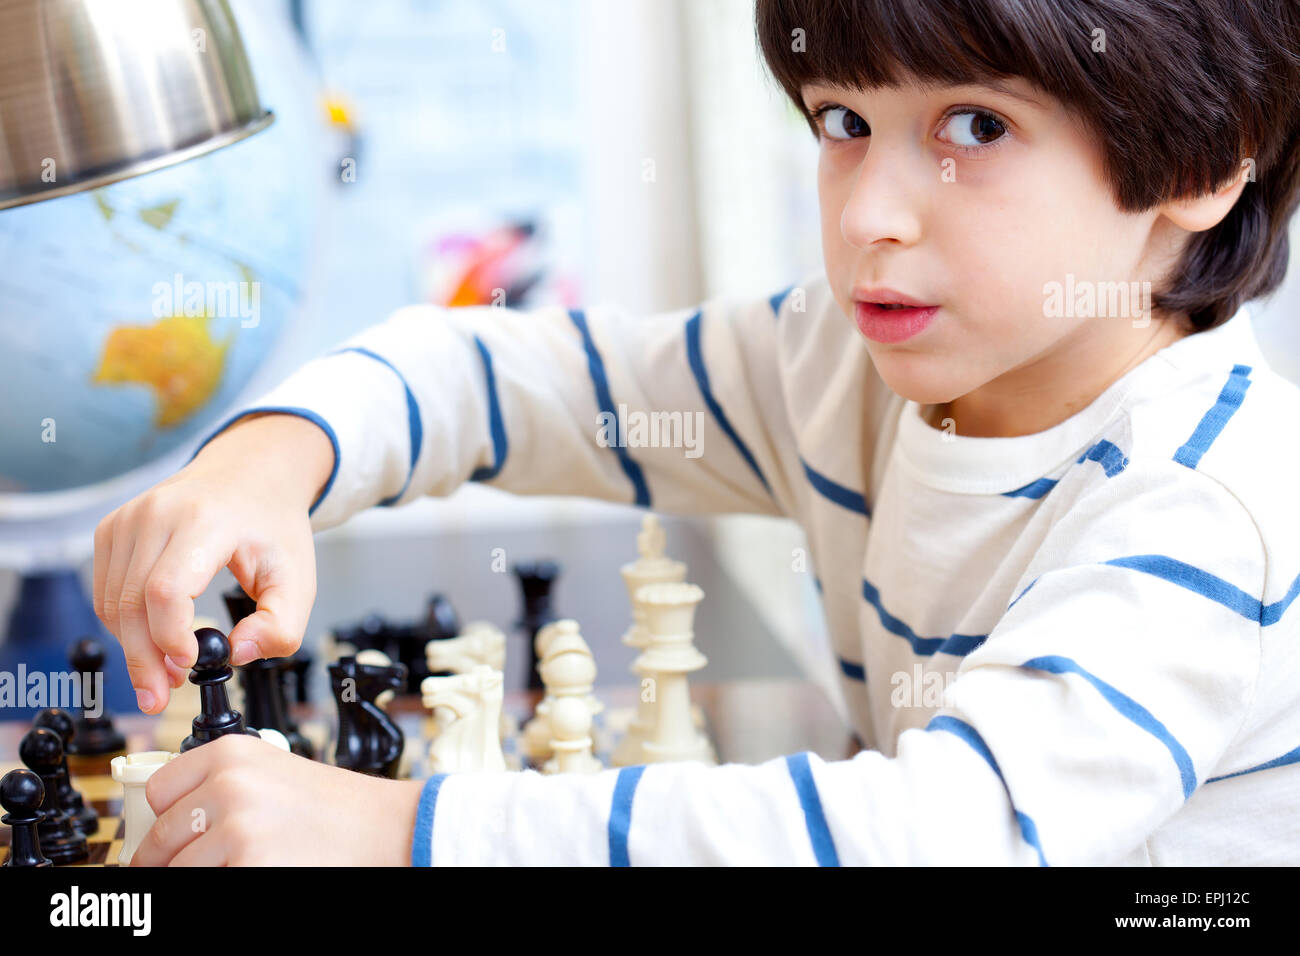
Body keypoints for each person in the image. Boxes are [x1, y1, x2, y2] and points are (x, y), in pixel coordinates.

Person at [93, 0, 1300, 865]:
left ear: (1199, 159)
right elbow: (521, 379)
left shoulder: (1202, 502)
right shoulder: (843, 366)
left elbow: (945, 833)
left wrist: (404, 830)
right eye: (841, 120)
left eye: (974, 128)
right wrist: (276, 451)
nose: (870, 214)